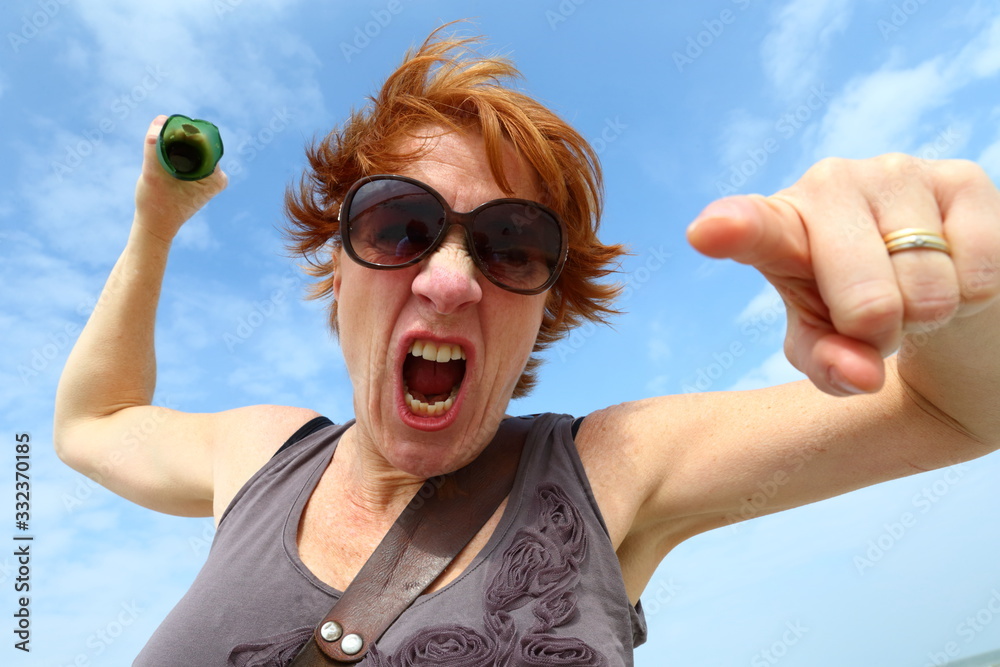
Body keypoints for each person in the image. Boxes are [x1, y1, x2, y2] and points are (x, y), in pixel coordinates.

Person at [53, 26, 1000, 667]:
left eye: (513, 246)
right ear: (336, 274)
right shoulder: (262, 457)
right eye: (397, 227)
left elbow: (956, 407)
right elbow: (91, 422)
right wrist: (155, 222)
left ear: (544, 308)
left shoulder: (606, 470)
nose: (452, 279)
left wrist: (960, 290)